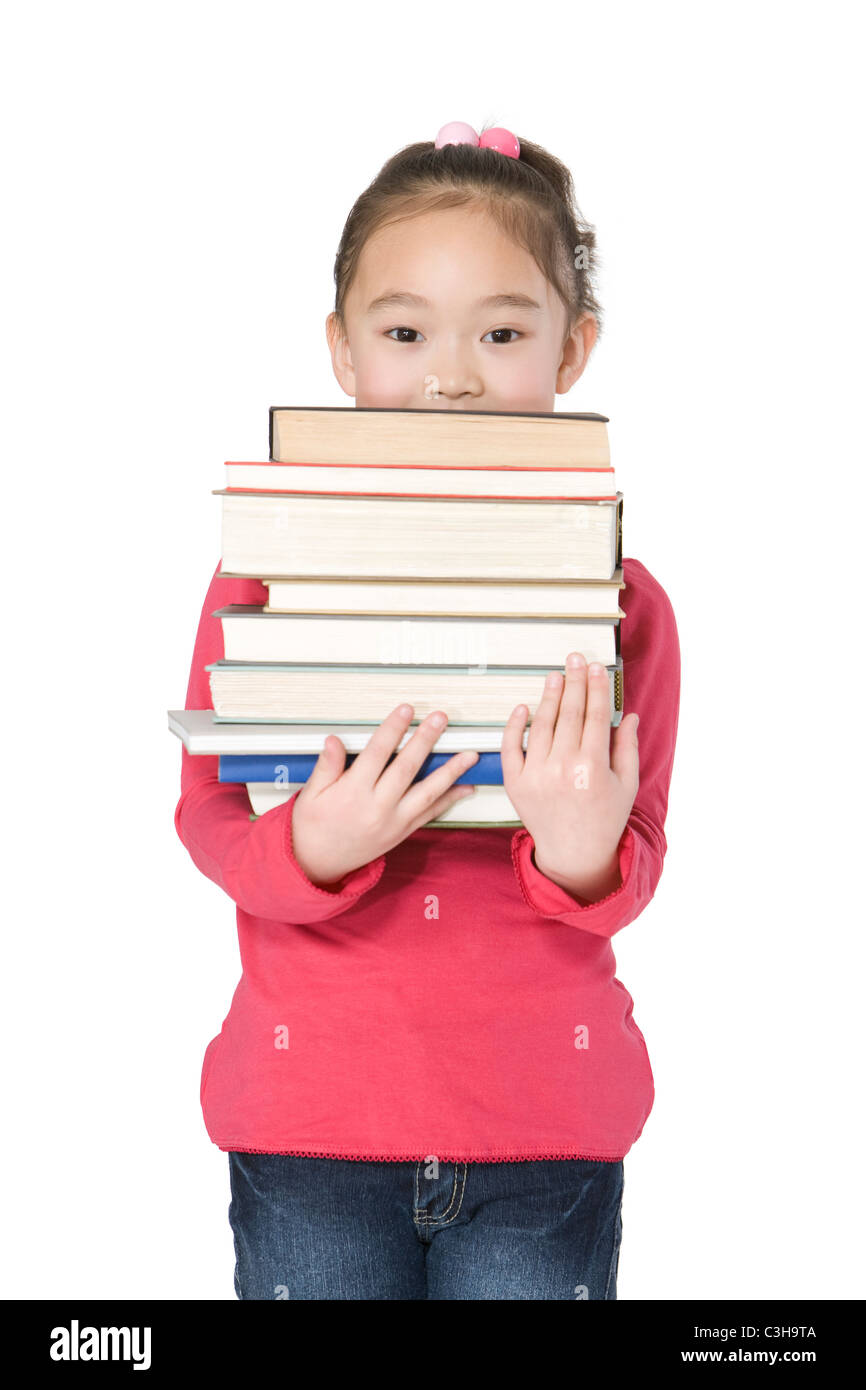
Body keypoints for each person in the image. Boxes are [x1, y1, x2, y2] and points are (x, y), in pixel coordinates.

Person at [174, 121, 681, 1300]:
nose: (450, 374)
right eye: (404, 332)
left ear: (573, 349)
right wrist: (309, 845)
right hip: (307, 1126)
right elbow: (204, 812)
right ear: (343, 352)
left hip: (544, 1131)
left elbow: (640, 859)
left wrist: (578, 847)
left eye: (502, 333)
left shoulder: (626, 606)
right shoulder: (260, 577)